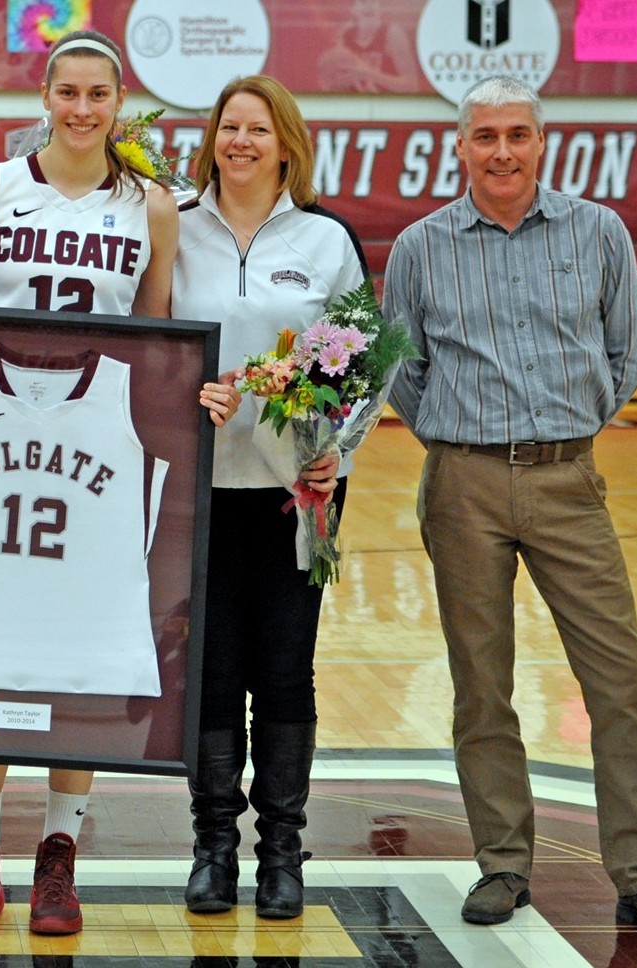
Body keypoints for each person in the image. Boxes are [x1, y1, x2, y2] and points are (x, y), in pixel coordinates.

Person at [381, 75, 637, 941]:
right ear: (460, 146)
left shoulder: (597, 232)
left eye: (516, 135)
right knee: (481, 684)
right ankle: (502, 863)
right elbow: (401, 370)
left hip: (569, 480)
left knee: (620, 679)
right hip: (463, 482)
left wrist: (559, 432)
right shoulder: (420, 246)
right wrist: (462, 441)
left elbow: (623, 356)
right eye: (484, 136)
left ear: (540, 140)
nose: (501, 151)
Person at [0, 29, 236, 936]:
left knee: (79, 653)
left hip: (97, 446)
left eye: (97, 94)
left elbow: (156, 339)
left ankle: (58, 854)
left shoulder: (151, 206)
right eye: (66, 92)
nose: (80, 108)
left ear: (116, 100)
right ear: (45, 93)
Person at [169, 75, 368, 920]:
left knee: (285, 669)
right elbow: (148, 348)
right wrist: (185, 395)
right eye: (228, 127)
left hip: (298, 491)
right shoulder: (172, 229)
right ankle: (213, 846)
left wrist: (336, 450)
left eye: (257, 128)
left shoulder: (326, 239)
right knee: (210, 672)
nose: (240, 141)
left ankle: (281, 851)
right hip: (199, 489)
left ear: (286, 142)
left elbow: (366, 363)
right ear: (211, 138)